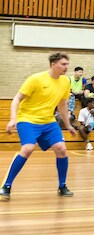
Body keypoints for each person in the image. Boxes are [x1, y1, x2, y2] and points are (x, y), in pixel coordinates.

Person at [2, 52, 77, 200]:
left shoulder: (65, 82)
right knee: (28, 148)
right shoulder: (36, 79)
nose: (66, 67)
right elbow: (17, 98)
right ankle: (7, 186)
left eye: (67, 64)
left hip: (48, 121)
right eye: (63, 64)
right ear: (53, 64)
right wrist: (13, 119)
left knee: (61, 149)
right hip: (27, 119)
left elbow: (62, 104)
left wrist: (68, 125)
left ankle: (62, 186)